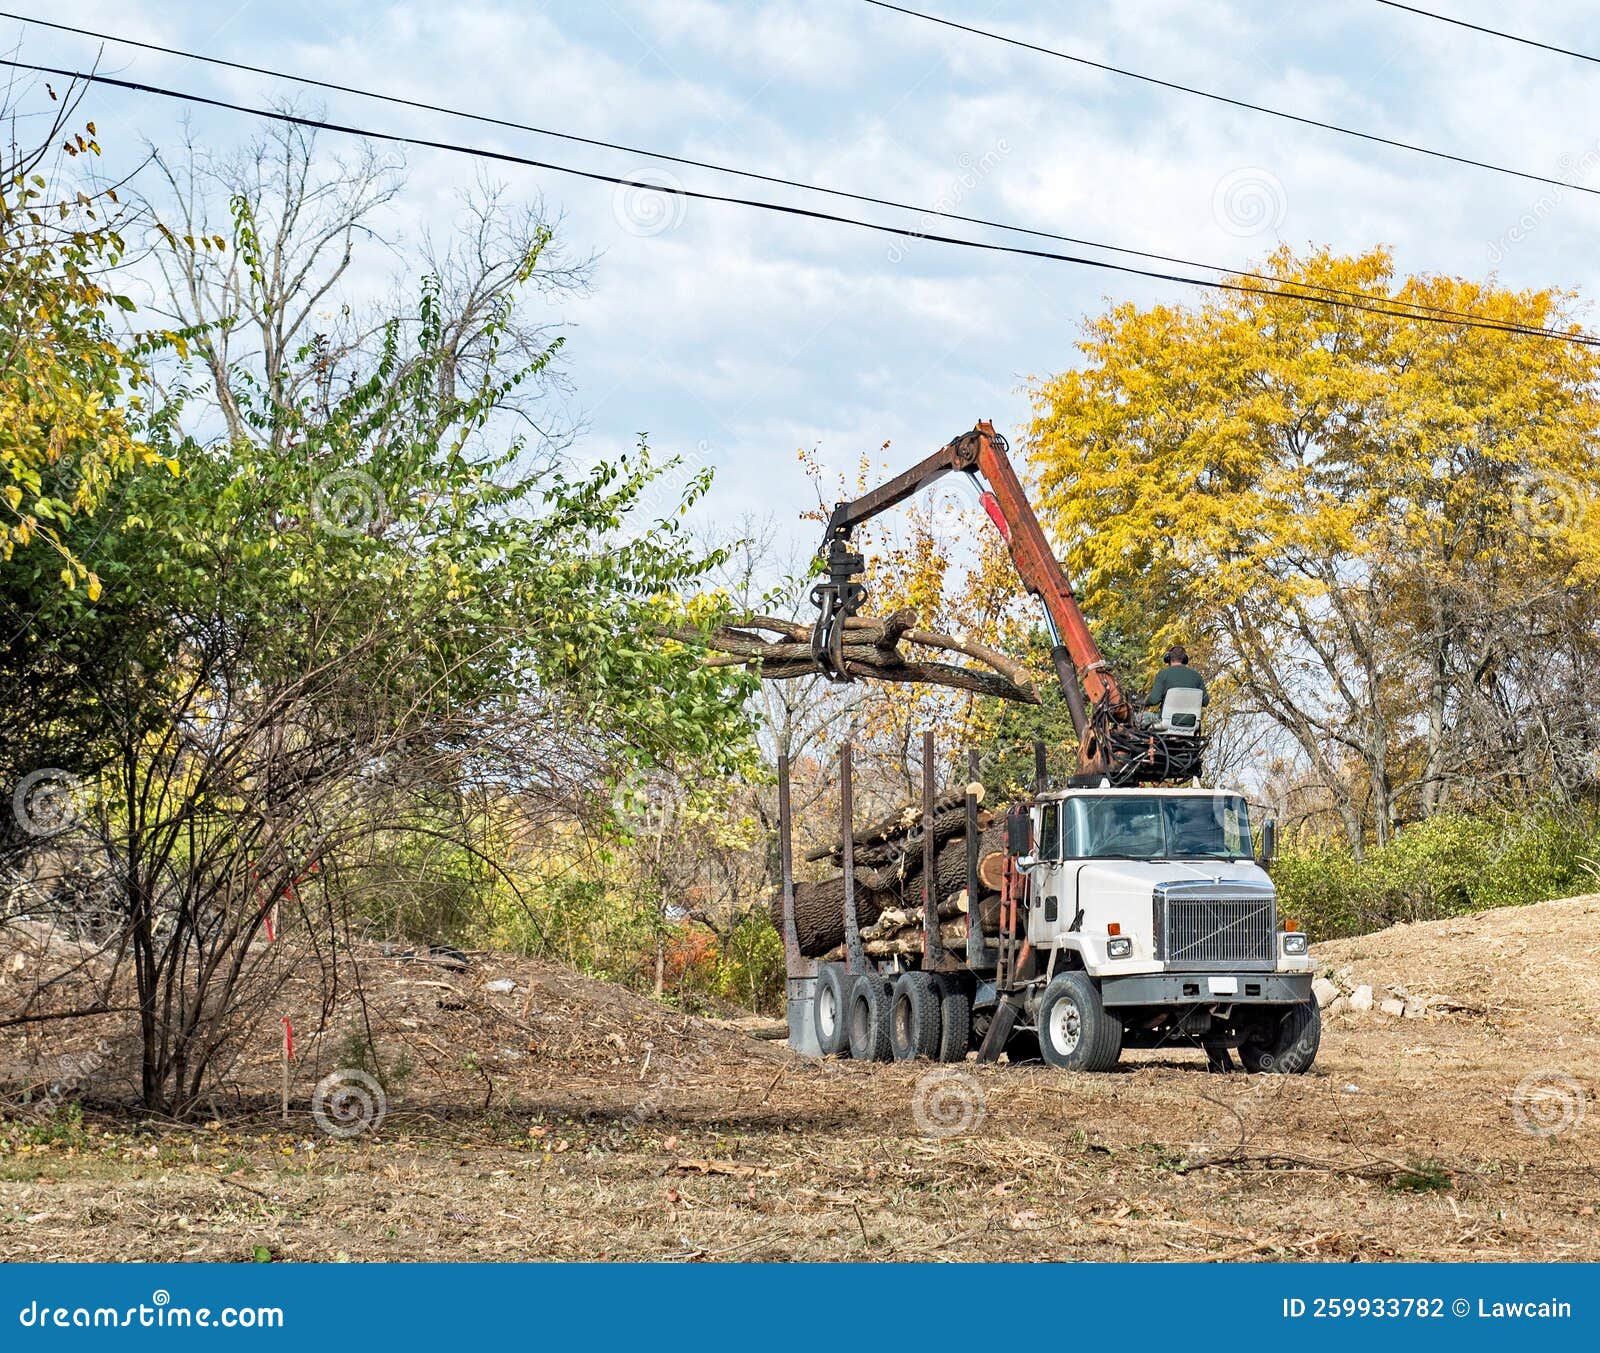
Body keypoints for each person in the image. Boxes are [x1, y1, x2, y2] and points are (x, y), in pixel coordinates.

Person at [1145, 645, 1209, 722]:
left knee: (1140, 717)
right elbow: (1205, 702)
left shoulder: (1162, 674)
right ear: (1185, 659)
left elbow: (1154, 700)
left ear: (1168, 659)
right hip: (1191, 724)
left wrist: (1144, 703)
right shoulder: (1197, 676)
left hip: (1166, 722)